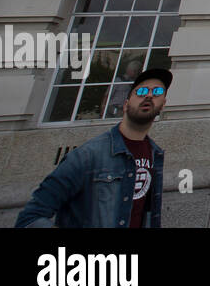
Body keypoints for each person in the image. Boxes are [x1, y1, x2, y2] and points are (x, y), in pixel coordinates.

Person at [16, 69, 172, 228]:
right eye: (142, 91)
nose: (149, 95)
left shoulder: (155, 154)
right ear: (125, 105)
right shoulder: (86, 155)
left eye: (157, 92)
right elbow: (30, 218)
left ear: (163, 104)